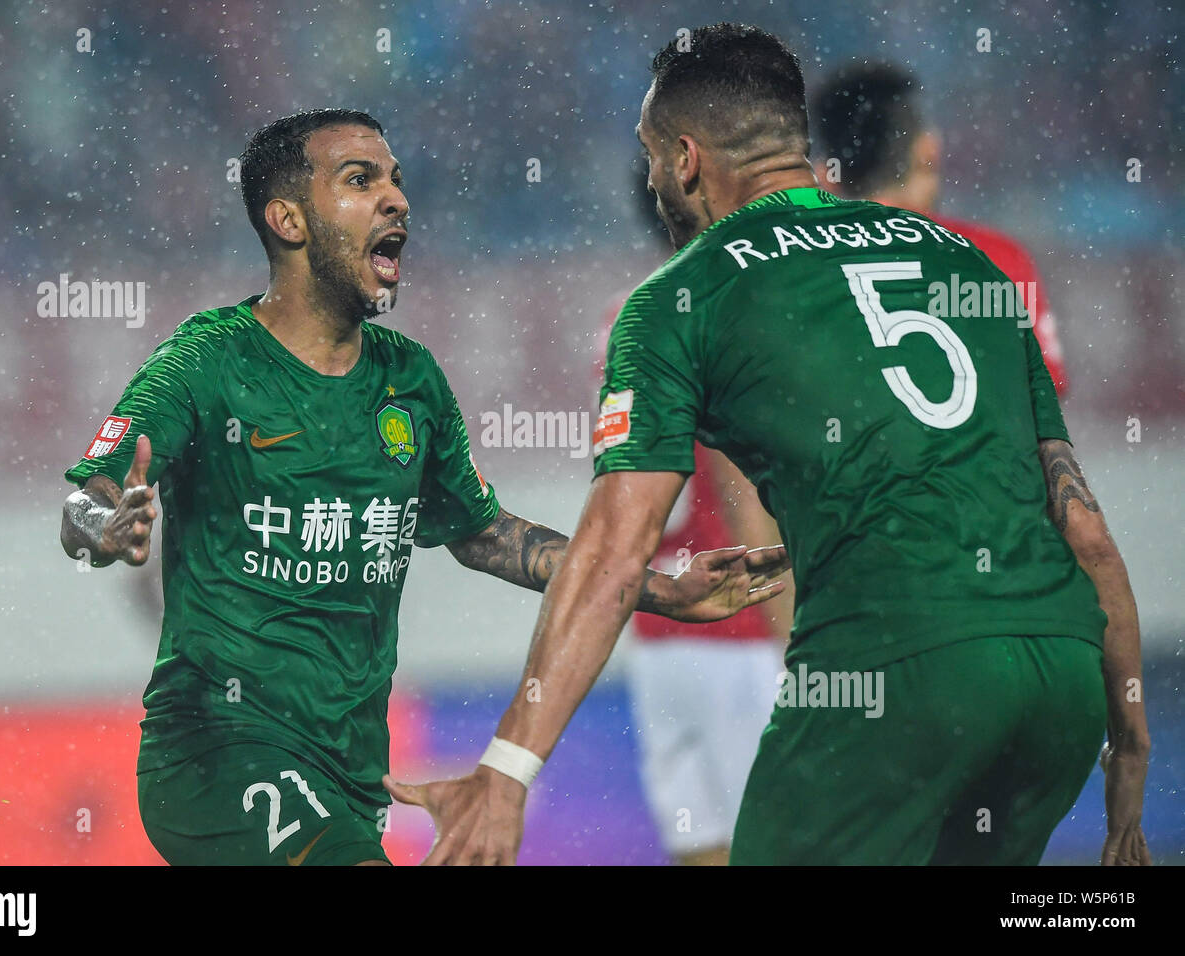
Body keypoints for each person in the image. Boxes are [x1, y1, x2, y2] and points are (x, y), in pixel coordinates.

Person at [387, 24, 1151, 866]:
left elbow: (613, 546)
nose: (651, 181)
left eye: (649, 157)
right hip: (1060, 674)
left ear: (683, 159)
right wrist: (1130, 746)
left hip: (892, 670)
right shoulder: (964, 260)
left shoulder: (680, 296)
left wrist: (506, 767)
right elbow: (1084, 525)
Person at [58, 108, 790, 867]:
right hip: (216, 752)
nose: (397, 199)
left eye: (397, 180)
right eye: (360, 179)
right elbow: (89, 496)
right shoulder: (204, 363)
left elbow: (485, 535)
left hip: (349, 770)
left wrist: (661, 588)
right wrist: (104, 525)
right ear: (288, 220)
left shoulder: (409, 380)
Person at [600, 173, 794, 866]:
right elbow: (743, 492)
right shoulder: (726, 310)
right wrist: (797, 643)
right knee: (771, 847)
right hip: (739, 631)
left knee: (700, 849)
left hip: (660, 639)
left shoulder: (629, 316)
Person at [811, 62, 1068, 393]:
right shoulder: (996, 260)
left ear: (825, 171)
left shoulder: (794, 267)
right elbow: (1043, 399)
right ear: (928, 148)